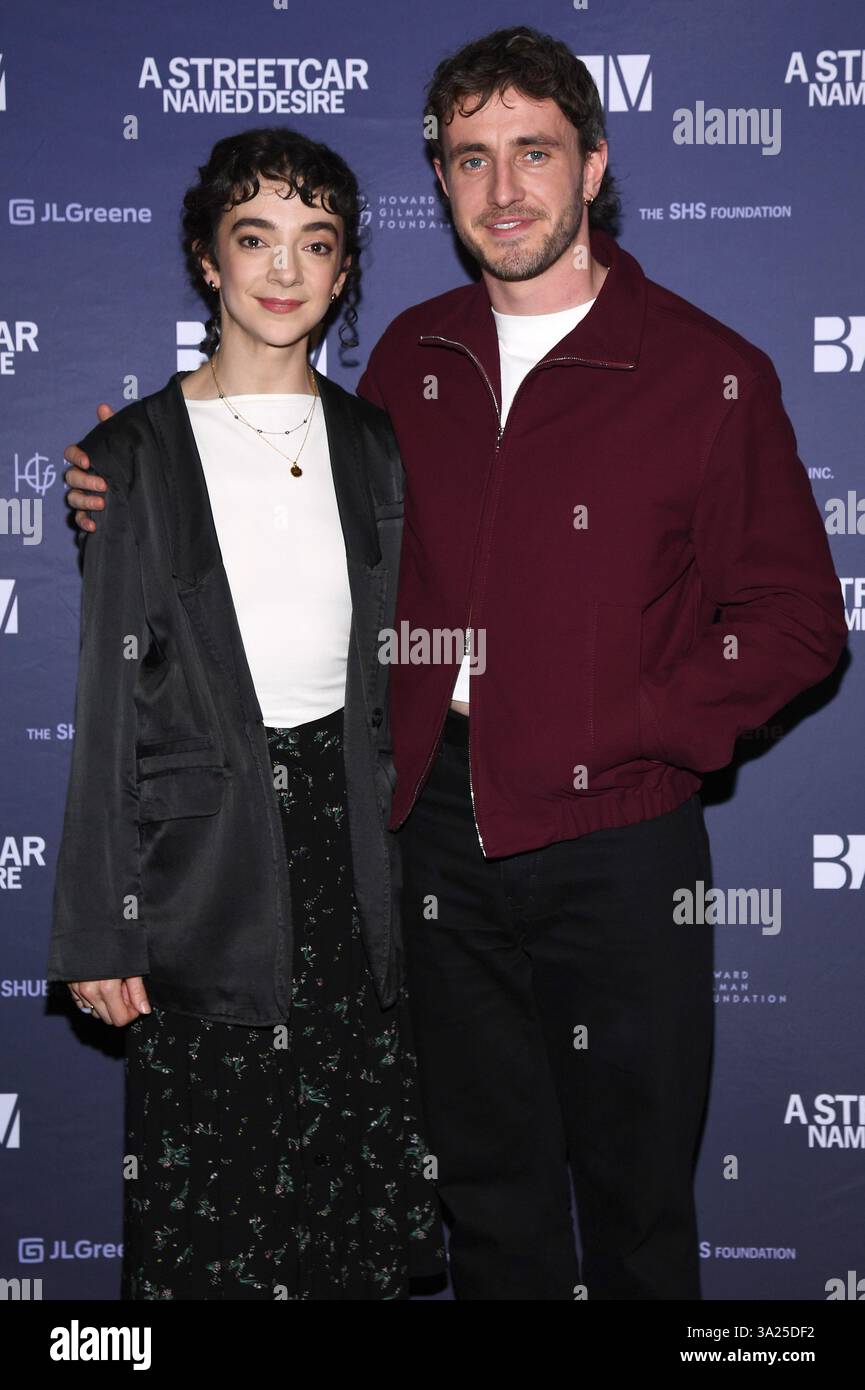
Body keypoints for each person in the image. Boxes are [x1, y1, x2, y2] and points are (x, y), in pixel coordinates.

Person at [63, 29, 848, 1301]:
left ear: (592, 166)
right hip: (426, 834)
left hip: (619, 841)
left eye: (532, 152)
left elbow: (800, 620)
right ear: (438, 179)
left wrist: (637, 717)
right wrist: (125, 484)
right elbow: (270, 500)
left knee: (639, 1206)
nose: (503, 189)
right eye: (469, 158)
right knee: (490, 1203)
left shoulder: (710, 371)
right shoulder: (409, 363)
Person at [48, 125, 444, 1301]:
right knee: (213, 1231)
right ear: (207, 259)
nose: (284, 269)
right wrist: (100, 929)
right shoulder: (129, 457)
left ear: (342, 273)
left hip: (358, 861)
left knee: (349, 1228)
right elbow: (107, 700)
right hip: (202, 876)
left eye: (315, 244)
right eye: (255, 238)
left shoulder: (375, 445)